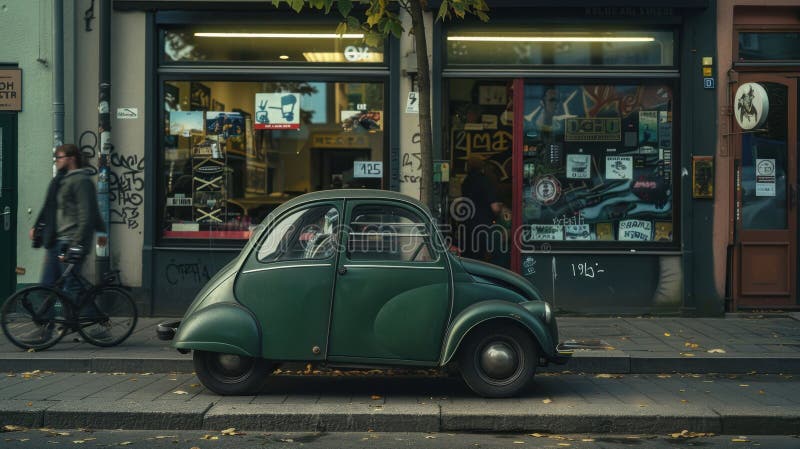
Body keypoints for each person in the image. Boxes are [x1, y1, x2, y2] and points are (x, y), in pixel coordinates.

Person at [31, 144, 106, 298]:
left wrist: (75, 244)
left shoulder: (81, 181)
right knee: (47, 286)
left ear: (71, 159)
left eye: (59, 157)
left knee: (71, 286)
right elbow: (49, 205)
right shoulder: (62, 180)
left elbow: (86, 216)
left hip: (70, 241)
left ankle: (74, 321)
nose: (56, 161)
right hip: (58, 241)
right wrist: (39, 227)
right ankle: (47, 322)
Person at [460, 155, 502, 261]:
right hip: (483, 227)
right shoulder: (485, 182)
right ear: (482, 167)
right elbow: (495, 208)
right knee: (482, 259)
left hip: (468, 226)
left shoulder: (465, 182)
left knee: (469, 258)